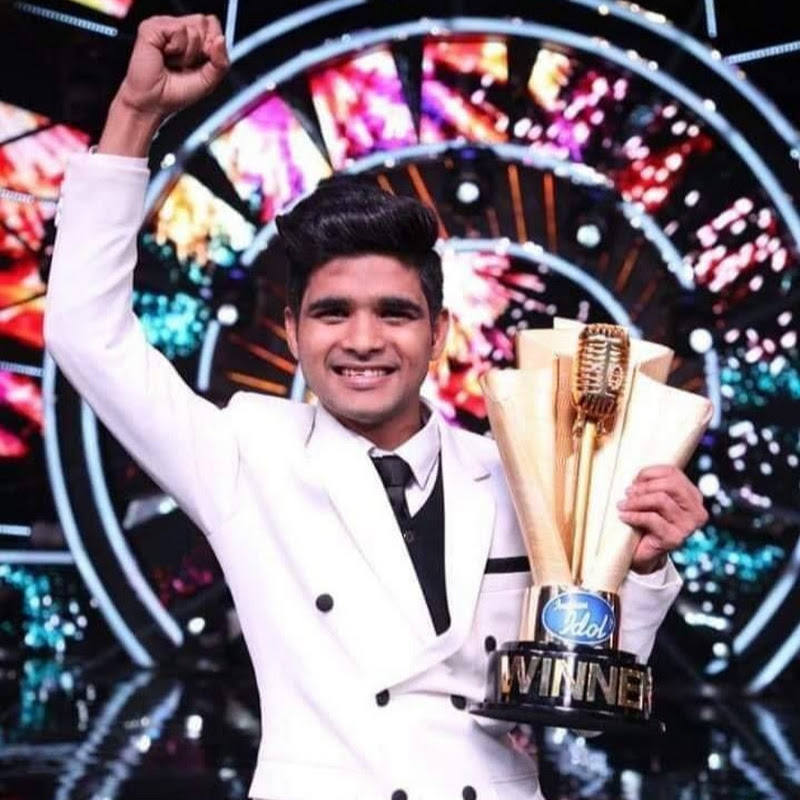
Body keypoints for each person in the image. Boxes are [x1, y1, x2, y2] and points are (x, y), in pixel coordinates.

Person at [44, 14, 708, 800]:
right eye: (333, 313)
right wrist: (136, 114)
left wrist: (645, 564)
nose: (363, 340)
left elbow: (585, 703)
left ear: (439, 333)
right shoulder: (245, 453)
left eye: (395, 313)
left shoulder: (520, 473)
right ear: (293, 331)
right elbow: (86, 333)